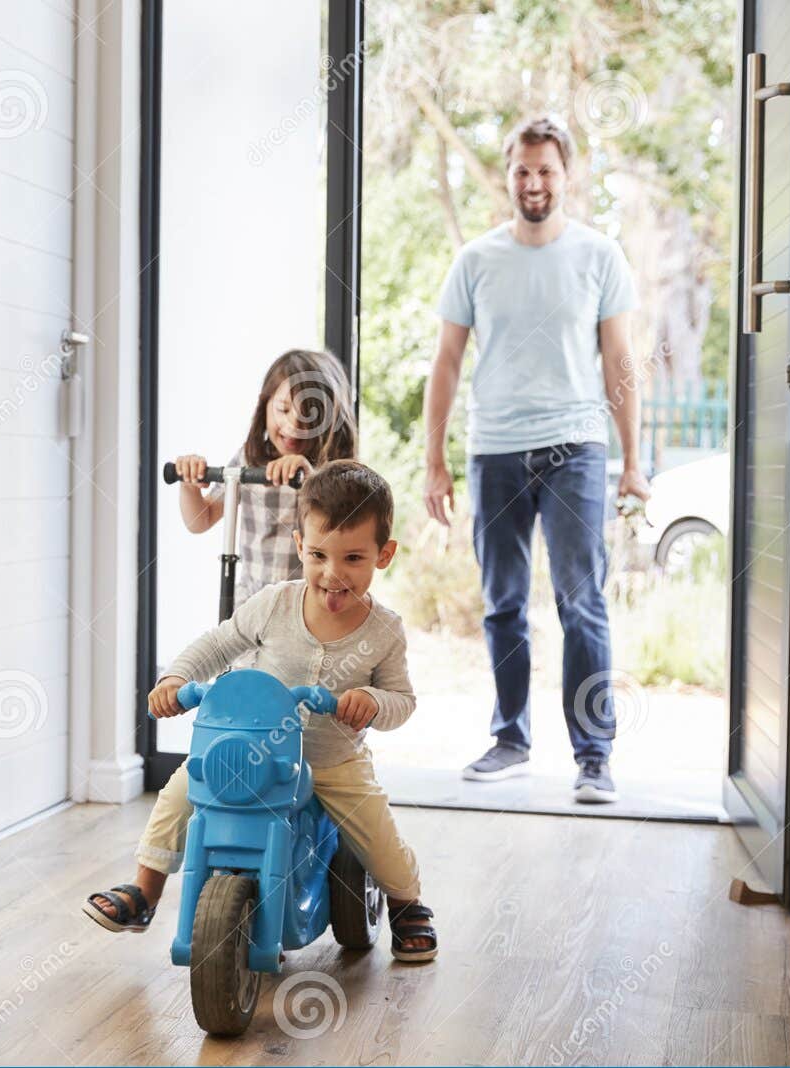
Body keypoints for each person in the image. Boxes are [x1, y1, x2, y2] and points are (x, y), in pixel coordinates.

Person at [83, 460, 437, 962]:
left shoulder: (384, 630)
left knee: (377, 834)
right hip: (252, 751)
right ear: (299, 547)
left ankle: (407, 905)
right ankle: (145, 891)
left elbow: (403, 701)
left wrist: (374, 703)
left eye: (353, 558)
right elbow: (219, 643)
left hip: (333, 761)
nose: (333, 574)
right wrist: (176, 678)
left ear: (384, 555)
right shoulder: (274, 604)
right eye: (318, 555)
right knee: (183, 791)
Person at [422, 114, 650, 805]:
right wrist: (434, 459)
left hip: (575, 447)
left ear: (566, 175)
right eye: (523, 170)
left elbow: (620, 361)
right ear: (509, 174)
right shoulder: (477, 261)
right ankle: (511, 738)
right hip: (494, 449)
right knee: (504, 604)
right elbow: (447, 360)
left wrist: (633, 459)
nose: (533, 182)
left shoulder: (599, 256)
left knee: (582, 601)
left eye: (546, 170)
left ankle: (593, 755)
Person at [173, 348, 358, 609]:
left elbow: (346, 533)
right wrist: (189, 485)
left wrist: (310, 479)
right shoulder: (249, 459)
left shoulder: (334, 474)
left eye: (309, 417)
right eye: (283, 410)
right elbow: (200, 519)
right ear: (265, 406)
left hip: (306, 608)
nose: (294, 426)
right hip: (251, 606)